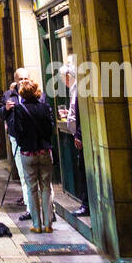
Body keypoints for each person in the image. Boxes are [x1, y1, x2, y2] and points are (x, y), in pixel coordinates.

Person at [5, 78, 55, 233]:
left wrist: (23, 143)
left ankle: (36, 224)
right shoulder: (44, 107)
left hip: (28, 153)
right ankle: (48, 223)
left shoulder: (19, 110)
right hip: (44, 151)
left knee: (31, 188)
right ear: (36, 92)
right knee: (46, 187)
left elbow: (17, 131)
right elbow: (50, 128)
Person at [0, 68, 31, 220]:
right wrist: (5, 109)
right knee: (24, 174)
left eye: (26, 78)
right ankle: (30, 208)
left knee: (38, 176)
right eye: (21, 79)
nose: (24, 81)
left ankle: (47, 208)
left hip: (33, 139)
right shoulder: (8, 95)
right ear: (16, 81)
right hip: (16, 138)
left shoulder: (35, 93)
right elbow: (1, 114)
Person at [61, 62, 89, 217]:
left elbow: (81, 113)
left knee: (84, 170)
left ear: (69, 76)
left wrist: (78, 134)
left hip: (80, 137)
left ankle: (86, 205)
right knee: (81, 169)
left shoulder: (78, 88)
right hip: (77, 135)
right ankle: (85, 203)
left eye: (63, 78)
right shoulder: (74, 89)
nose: (63, 82)